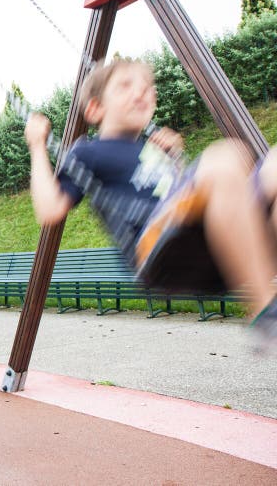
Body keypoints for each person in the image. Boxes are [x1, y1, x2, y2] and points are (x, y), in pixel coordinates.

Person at [23, 58, 277, 349]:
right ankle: (264, 310)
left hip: (202, 235)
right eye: (125, 86)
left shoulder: (151, 148)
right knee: (225, 156)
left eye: (147, 87)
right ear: (95, 109)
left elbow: (187, 196)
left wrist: (176, 162)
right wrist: (37, 145)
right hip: (157, 247)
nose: (141, 92)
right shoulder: (88, 152)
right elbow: (49, 209)